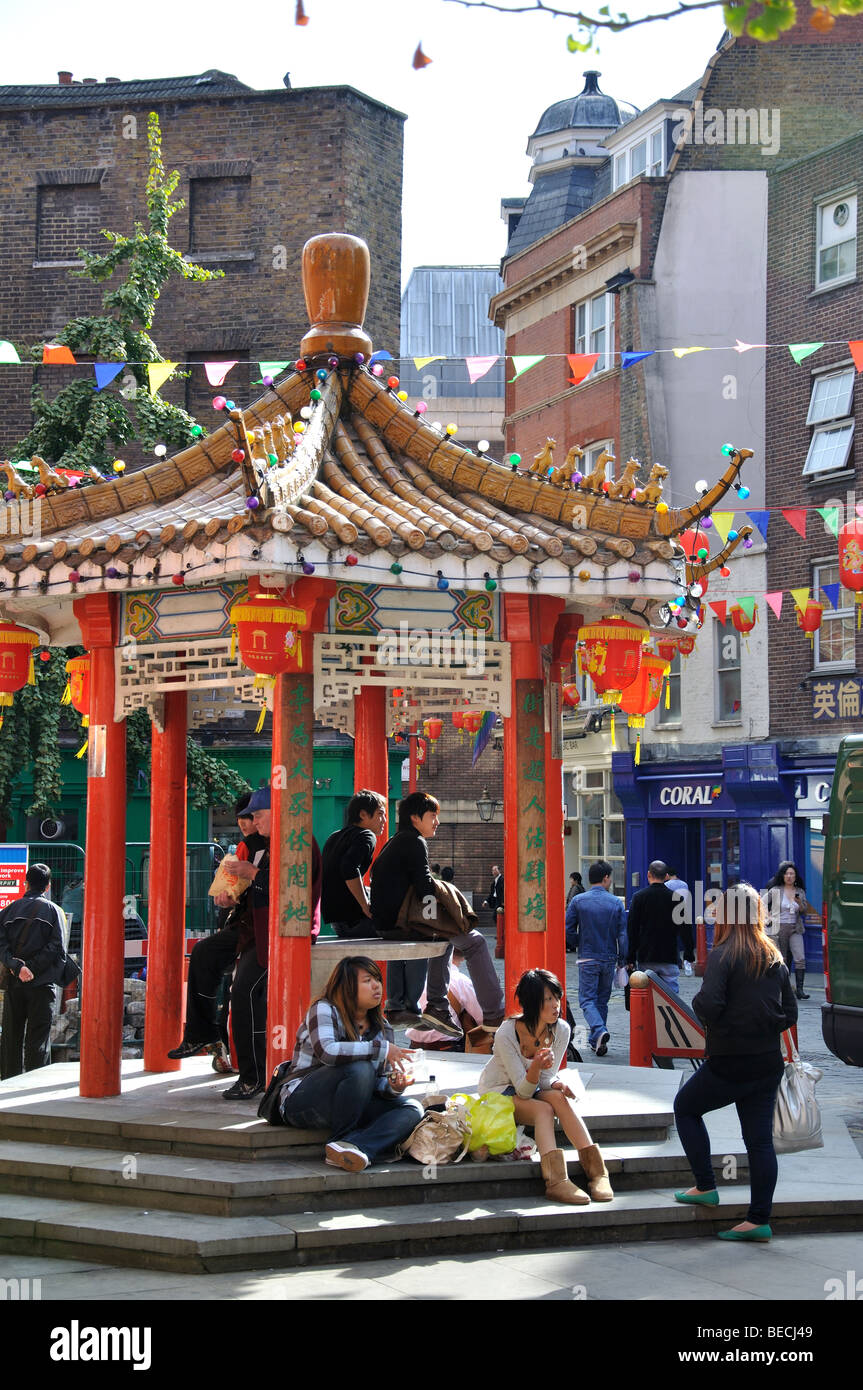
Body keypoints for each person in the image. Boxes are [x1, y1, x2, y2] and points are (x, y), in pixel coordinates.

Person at [672, 884, 798, 1242]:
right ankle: (759, 1219)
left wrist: (707, 1012)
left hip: (730, 1060)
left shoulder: (724, 954)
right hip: (767, 1062)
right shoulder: (772, 954)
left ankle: (706, 1186)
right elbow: (789, 1012)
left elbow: (709, 1005)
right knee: (759, 1142)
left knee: (686, 1107)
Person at [371, 791, 505, 1037]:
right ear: (415, 818)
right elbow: (424, 887)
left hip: (387, 922)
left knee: (443, 937)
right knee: (474, 942)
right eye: (433, 815)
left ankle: (436, 1005)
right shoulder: (414, 841)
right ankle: (495, 1014)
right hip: (400, 923)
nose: (437, 821)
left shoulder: (395, 841)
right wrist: (448, 894)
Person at [478, 969, 613, 1204]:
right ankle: (556, 1181)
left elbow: (546, 1077)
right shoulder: (507, 1033)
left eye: (557, 998)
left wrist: (558, 1083)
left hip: (530, 1087)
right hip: (498, 1091)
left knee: (559, 1099)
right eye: (548, 999)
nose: (556, 1005)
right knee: (544, 1110)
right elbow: (522, 1090)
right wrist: (537, 1067)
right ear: (532, 1003)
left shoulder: (561, 1029)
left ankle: (597, 1172)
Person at [278, 956, 424, 1171]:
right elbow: (327, 1051)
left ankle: (354, 1147)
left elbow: (378, 1083)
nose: (377, 986)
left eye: (377, 979)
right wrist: (380, 1050)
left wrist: (394, 1086)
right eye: (367, 981)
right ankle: (343, 1138)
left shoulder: (382, 1027)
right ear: (347, 986)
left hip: (353, 1103)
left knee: (413, 1108)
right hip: (302, 1102)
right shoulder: (324, 1009)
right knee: (360, 1067)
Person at [222, 786, 322, 1099]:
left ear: (276, 813)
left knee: (246, 996)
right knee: (243, 996)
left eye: (259, 814)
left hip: (285, 934)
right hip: (265, 934)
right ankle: (254, 1073)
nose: (254, 821)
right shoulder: (266, 843)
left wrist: (252, 873)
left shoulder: (296, 840)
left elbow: (293, 885)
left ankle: (256, 1076)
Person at [168, 794, 263, 1068]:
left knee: (237, 991)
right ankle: (212, 1042)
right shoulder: (246, 847)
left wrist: (248, 880)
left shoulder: (265, 846)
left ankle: (243, 1066)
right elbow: (232, 891)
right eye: (244, 817)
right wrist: (229, 895)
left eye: (253, 816)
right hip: (243, 924)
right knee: (214, 969)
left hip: (259, 928)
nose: (246, 822)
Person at [0, 863, 68, 1079]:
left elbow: (1, 946)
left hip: (14, 984)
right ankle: (33, 1085)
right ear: (47, 886)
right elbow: (58, 947)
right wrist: (32, 969)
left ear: (25, 883)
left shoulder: (9, 910)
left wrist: (17, 967)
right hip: (42, 984)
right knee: (38, 1040)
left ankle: (7, 1084)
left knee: (11, 1039)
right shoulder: (54, 911)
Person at [565, 858, 627, 1056]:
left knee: (586, 1000)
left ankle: (599, 1032)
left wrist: (577, 943)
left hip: (587, 957)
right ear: (606, 878)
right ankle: (597, 1041)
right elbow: (623, 935)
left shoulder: (578, 901)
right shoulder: (615, 902)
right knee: (601, 1000)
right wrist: (623, 960)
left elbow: (568, 928)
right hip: (609, 957)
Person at [321, 790, 387, 939]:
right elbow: (348, 868)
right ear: (363, 814)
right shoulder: (366, 835)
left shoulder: (335, 836)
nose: (384, 819)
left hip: (338, 924)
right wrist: (365, 905)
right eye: (380, 814)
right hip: (356, 923)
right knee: (419, 930)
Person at [627, 859, 694, 994]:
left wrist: (630, 956)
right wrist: (689, 954)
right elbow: (686, 928)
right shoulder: (676, 898)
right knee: (671, 998)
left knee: (646, 996)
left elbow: (632, 930)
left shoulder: (638, 897)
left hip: (646, 955)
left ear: (648, 875)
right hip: (669, 955)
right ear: (666, 876)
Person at [763, 861, 818, 1000]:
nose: (789, 876)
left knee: (800, 958)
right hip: (779, 928)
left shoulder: (800, 891)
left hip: (795, 928)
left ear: (795, 876)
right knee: (782, 960)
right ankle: (783, 990)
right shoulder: (776, 890)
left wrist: (800, 903)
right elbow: (760, 903)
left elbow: (805, 911)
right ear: (782, 875)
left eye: (792, 874)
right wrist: (768, 916)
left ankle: (800, 990)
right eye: (787, 874)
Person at [665, 866, 694, 977]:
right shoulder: (684, 884)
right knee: (687, 939)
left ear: (667, 875)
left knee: (671, 938)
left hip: (671, 914)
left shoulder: (666, 885)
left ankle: (676, 961)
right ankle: (688, 961)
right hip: (684, 912)